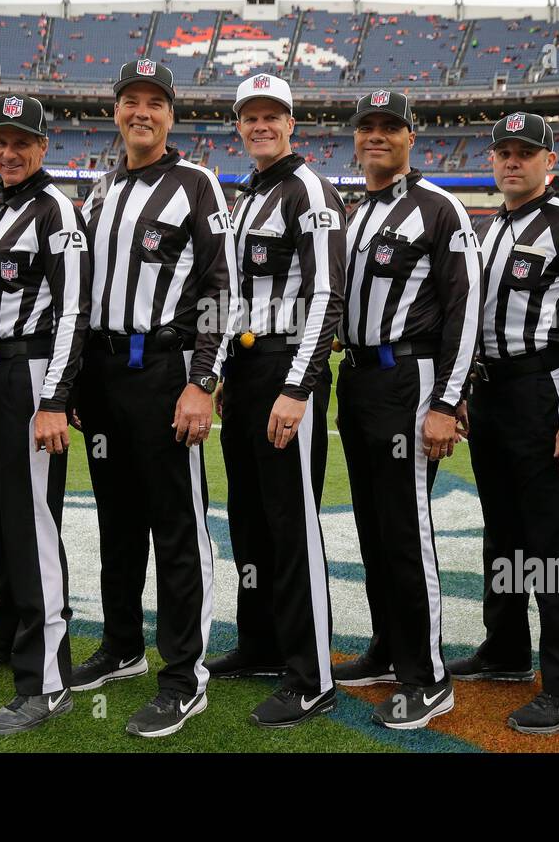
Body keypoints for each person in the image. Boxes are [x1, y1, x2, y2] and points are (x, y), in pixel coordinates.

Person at [70, 59, 236, 738]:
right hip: (105, 378)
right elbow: (80, 294)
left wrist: (202, 382)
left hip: (164, 373)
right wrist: (76, 380)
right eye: (131, 101)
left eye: (155, 103)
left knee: (175, 528)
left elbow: (220, 289)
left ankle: (184, 674)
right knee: (115, 521)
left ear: (172, 115)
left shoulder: (196, 184)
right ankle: (121, 646)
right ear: (116, 112)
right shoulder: (100, 192)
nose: (142, 112)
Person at [454, 111, 559, 736]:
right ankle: (506, 646)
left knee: (555, 540)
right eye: (503, 152)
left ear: (550, 160)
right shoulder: (490, 228)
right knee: (504, 530)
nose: (512, 161)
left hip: (543, 389)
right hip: (492, 395)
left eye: (525, 152)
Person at [332, 90, 483, 730]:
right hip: (361, 377)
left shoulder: (440, 208)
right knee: (373, 524)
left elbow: (465, 310)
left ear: (410, 137)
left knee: (407, 529)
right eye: (367, 127)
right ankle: (388, 646)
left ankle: (429, 675)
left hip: (409, 376)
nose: (376, 137)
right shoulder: (356, 211)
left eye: (389, 127)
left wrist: (448, 399)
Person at [0, 94, 90, 736]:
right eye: (0, 140)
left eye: (21, 142)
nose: (8, 151)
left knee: (31, 525)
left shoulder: (55, 209)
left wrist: (55, 398)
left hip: (33, 374)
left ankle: (46, 681)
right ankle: (9, 637)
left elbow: (71, 314)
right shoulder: (3, 209)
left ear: (43, 146)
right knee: (1, 517)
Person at [209, 73, 347, 728]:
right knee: (251, 521)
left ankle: (312, 674)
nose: (260, 125)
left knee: (291, 527)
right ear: (239, 125)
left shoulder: (309, 190)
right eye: (250, 117)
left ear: (292, 122)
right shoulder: (250, 194)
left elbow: (325, 296)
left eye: (273, 116)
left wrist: (299, 384)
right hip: (245, 368)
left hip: (286, 367)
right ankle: (261, 643)